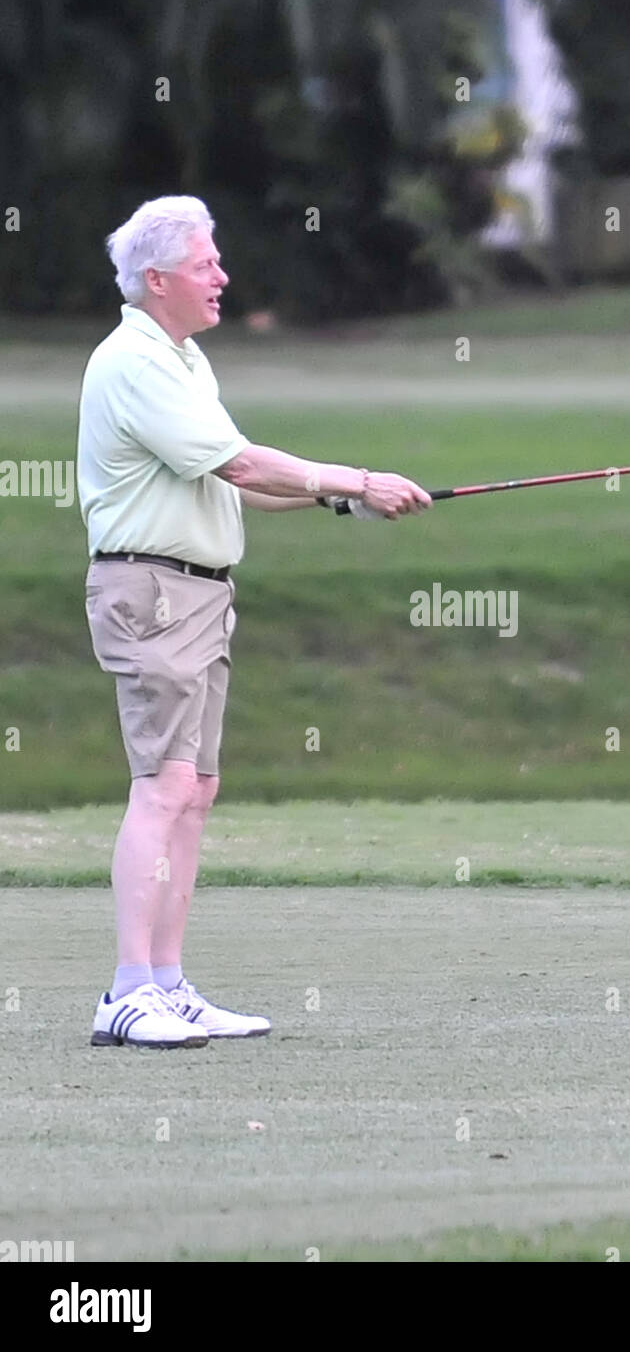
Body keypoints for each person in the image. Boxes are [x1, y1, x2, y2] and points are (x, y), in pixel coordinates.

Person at [77, 195, 431, 1049]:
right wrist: (354, 476)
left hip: (199, 592)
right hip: (152, 593)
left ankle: (168, 984)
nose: (222, 276)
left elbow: (228, 485)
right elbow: (238, 459)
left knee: (194, 790)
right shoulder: (136, 361)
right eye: (206, 264)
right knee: (162, 786)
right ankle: (126, 995)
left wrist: (345, 504)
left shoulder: (185, 361)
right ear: (157, 280)